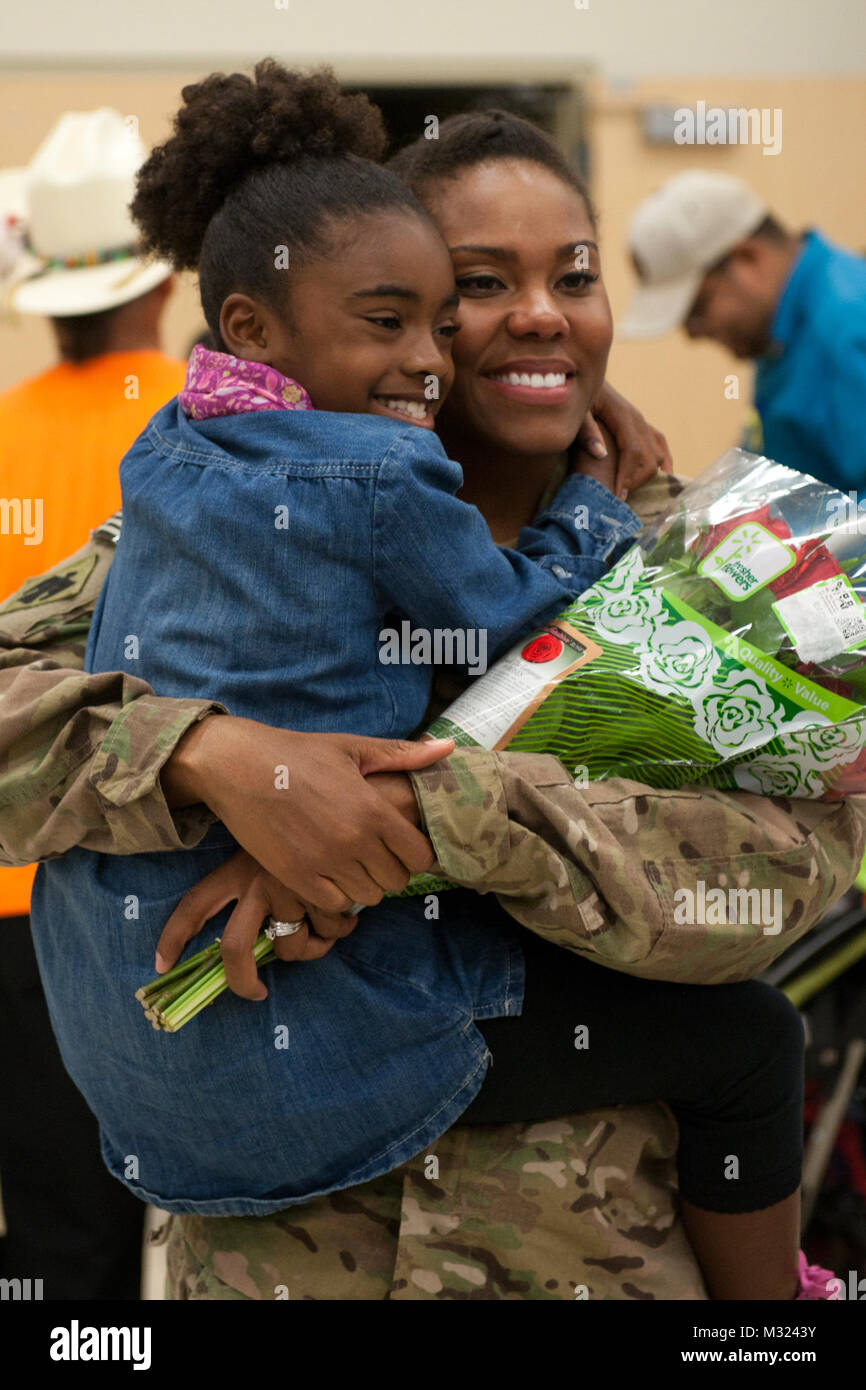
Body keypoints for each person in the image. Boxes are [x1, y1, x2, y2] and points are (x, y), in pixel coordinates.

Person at [1, 101, 862, 1299]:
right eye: (472, 282)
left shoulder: (700, 566)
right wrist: (209, 756)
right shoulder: (234, 518)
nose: (539, 312)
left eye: (574, 273)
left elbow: (786, 876)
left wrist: (433, 813)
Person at [0, 107, 184, 1301]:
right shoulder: (207, 422)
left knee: (65, 1231)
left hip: (13, 896)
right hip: (162, 884)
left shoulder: (5, 432)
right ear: (165, 277)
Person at [619, 171, 866, 492]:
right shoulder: (781, 332)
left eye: (697, 309)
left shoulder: (847, 329)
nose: (692, 334)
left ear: (749, 258)